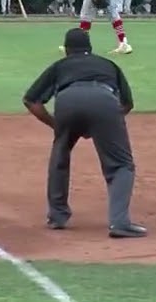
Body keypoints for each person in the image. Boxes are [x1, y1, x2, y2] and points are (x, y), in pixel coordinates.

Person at [22, 28, 145, 239]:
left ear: (67, 50)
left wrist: (56, 125)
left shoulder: (60, 65)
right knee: (121, 165)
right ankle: (120, 223)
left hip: (67, 102)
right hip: (105, 102)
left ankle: (57, 217)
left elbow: (31, 100)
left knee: (60, 155)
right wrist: (106, 125)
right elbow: (127, 104)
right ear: (90, 48)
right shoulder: (108, 65)